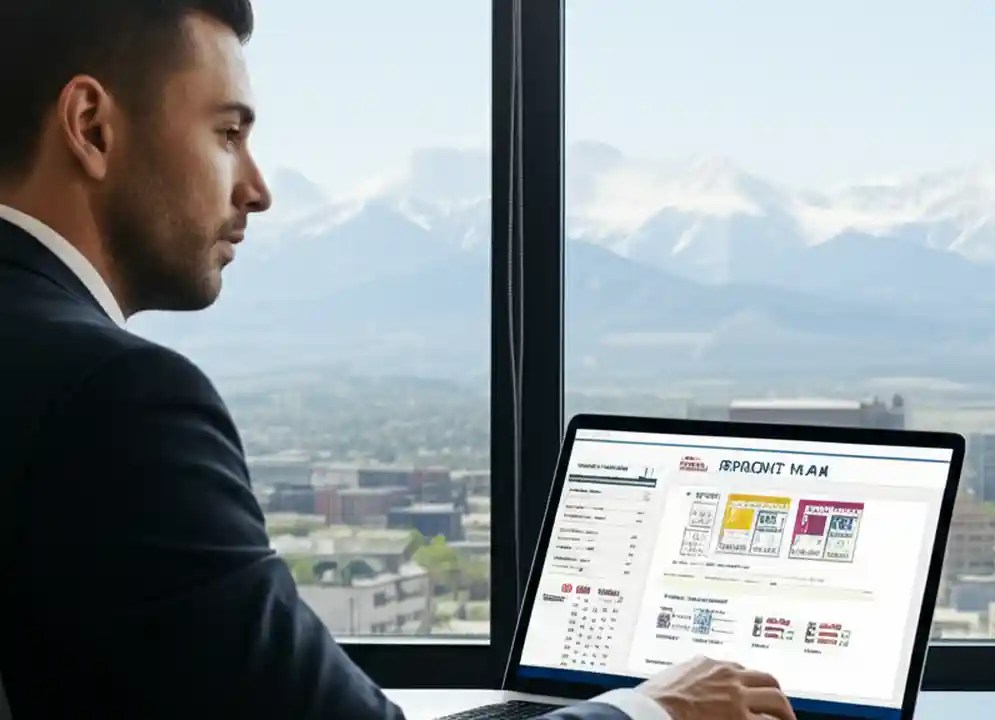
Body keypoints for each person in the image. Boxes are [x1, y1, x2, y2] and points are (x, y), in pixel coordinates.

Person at [0, 2, 797, 719]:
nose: (257, 188)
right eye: (228, 133)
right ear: (92, 126)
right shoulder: (115, 401)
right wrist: (650, 717)